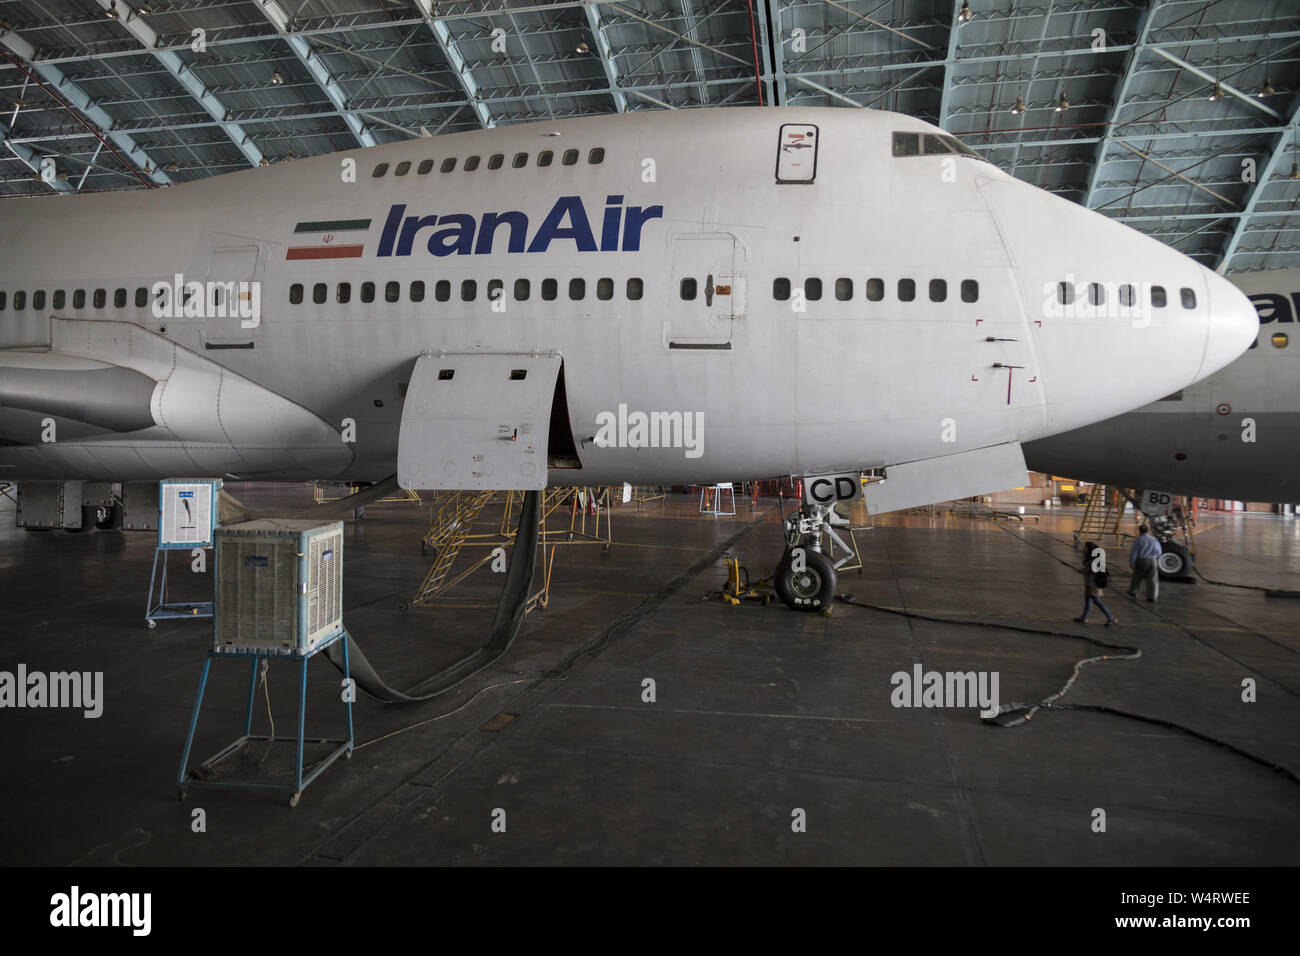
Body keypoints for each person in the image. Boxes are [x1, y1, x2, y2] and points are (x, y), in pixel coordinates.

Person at [1074, 541, 1118, 626]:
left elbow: (1093, 570)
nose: (1084, 549)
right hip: (1089, 584)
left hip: (1093, 585)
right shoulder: (1092, 557)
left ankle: (1111, 618)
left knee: (1097, 601)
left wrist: (1081, 570)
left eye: (1085, 547)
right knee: (1088, 601)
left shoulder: (1094, 559)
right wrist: (1080, 570)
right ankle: (1083, 617)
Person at [1128, 525, 1162, 601]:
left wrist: (1132, 562)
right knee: (1153, 579)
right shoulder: (1154, 540)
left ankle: (1133, 591)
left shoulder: (1139, 540)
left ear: (1139, 531)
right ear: (1148, 531)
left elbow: (1134, 552)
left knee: (1137, 576)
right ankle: (1152, 597)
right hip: (1153, 560)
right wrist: (1157, 559)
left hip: (1142, 560)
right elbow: (1159, 551)